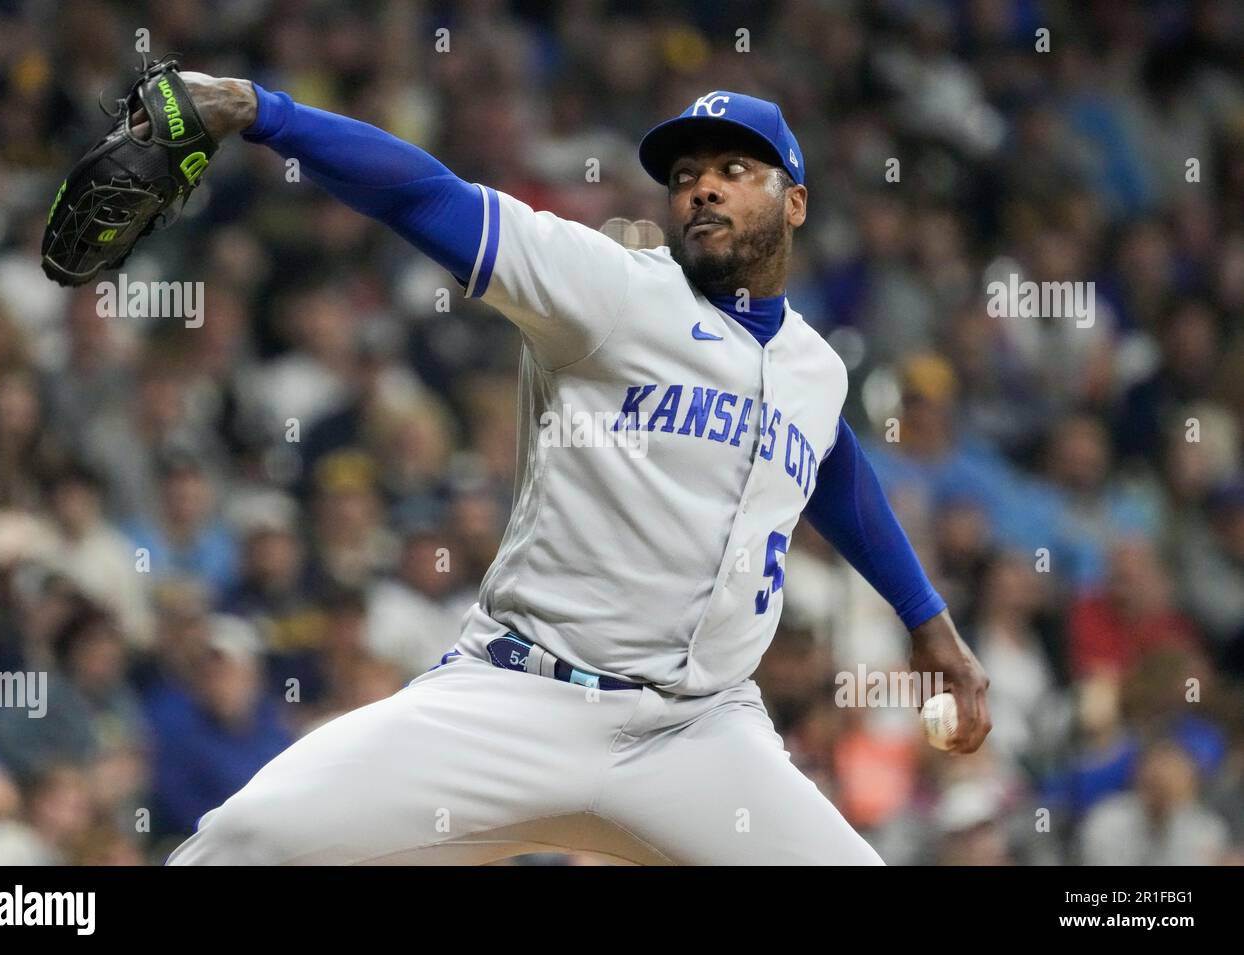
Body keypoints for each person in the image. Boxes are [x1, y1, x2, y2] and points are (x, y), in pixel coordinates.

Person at [160, 78, 990, 865]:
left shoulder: (817, 368)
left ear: (795, 202)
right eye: (687, 175)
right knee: (244, 841)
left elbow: (832, 466)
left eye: (734, 170)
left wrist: (929, 621)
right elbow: (426, 195)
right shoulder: (613, 289)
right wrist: (261, 110)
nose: (703, 188)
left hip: (700, 736)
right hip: (520, 700)